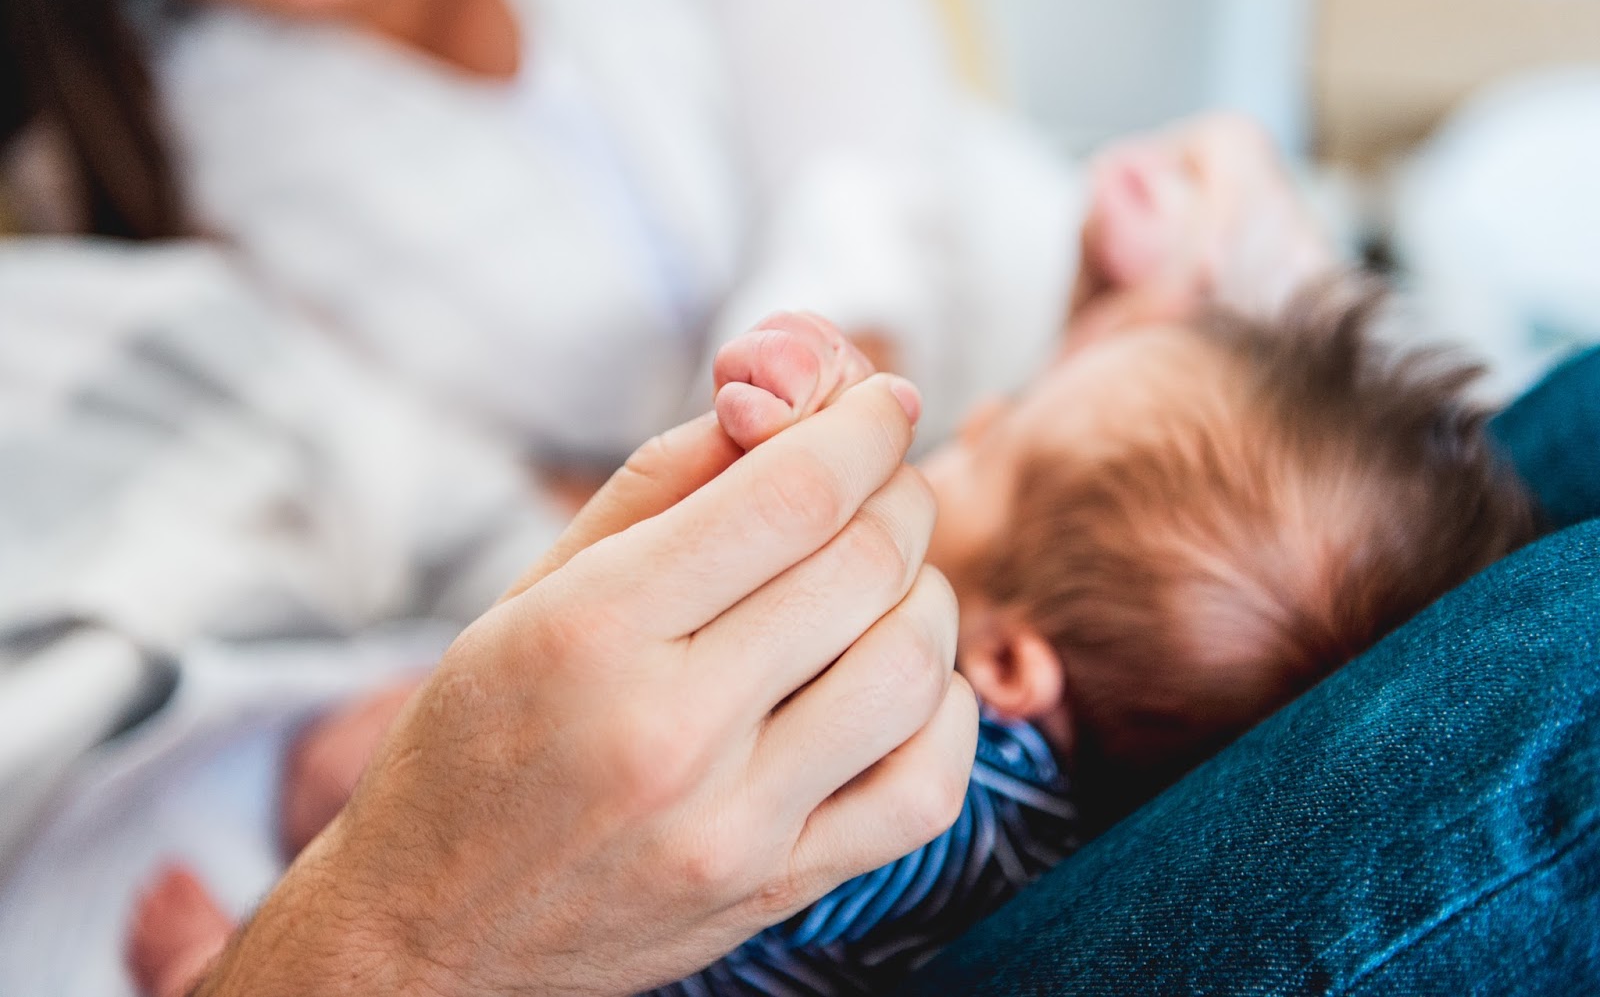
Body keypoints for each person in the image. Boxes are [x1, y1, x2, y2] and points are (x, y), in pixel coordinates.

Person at [128, 282, 1538, 995]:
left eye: (996, 452)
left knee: (368, 770)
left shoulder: (901, 744)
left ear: (1003, 665)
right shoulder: (1068, 828)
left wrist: (777, 471)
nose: (960, 428)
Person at [0, 0, 1081, 464]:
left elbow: (862, 167)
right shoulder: (138, 161)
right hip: (781, 587)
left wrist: (815, 416)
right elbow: (437, 510)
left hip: (1071, 341)